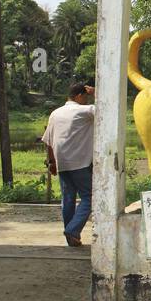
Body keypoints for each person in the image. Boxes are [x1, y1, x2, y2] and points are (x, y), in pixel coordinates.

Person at [43, 80, 96, 247]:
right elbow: (107, 108)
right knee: (90, 198)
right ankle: (73, 230)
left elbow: (49, 141)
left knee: (68, 199)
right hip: (80, 163)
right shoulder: (85, 111)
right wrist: (96, 92)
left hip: (62, 163)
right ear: (79, 96)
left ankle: (71, 236)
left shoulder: (55, 113)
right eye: (86, 97)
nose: (87, 100)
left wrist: (52, 162)